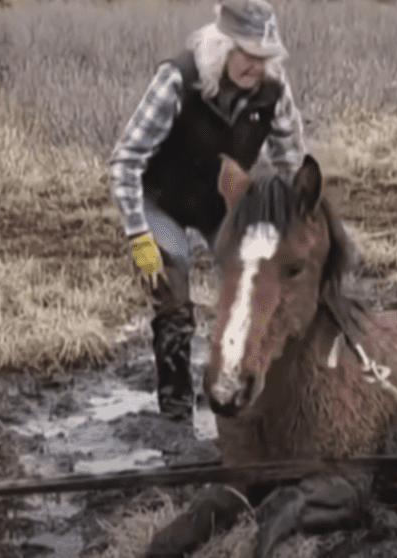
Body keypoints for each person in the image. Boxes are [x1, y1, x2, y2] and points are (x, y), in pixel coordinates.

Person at [109, 0, 305, 420]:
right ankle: (177, 410)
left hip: (222, 204)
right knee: (174, 295)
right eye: (248, 55)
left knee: (254, 284)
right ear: (223, 48)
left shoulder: (274, 89)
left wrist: (291, 221)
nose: (257, 67)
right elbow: (125, 162)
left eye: (264, 58)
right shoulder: (176, 80)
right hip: (163, 201)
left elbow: (290, 161)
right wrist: (140, 240)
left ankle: (255, 389)